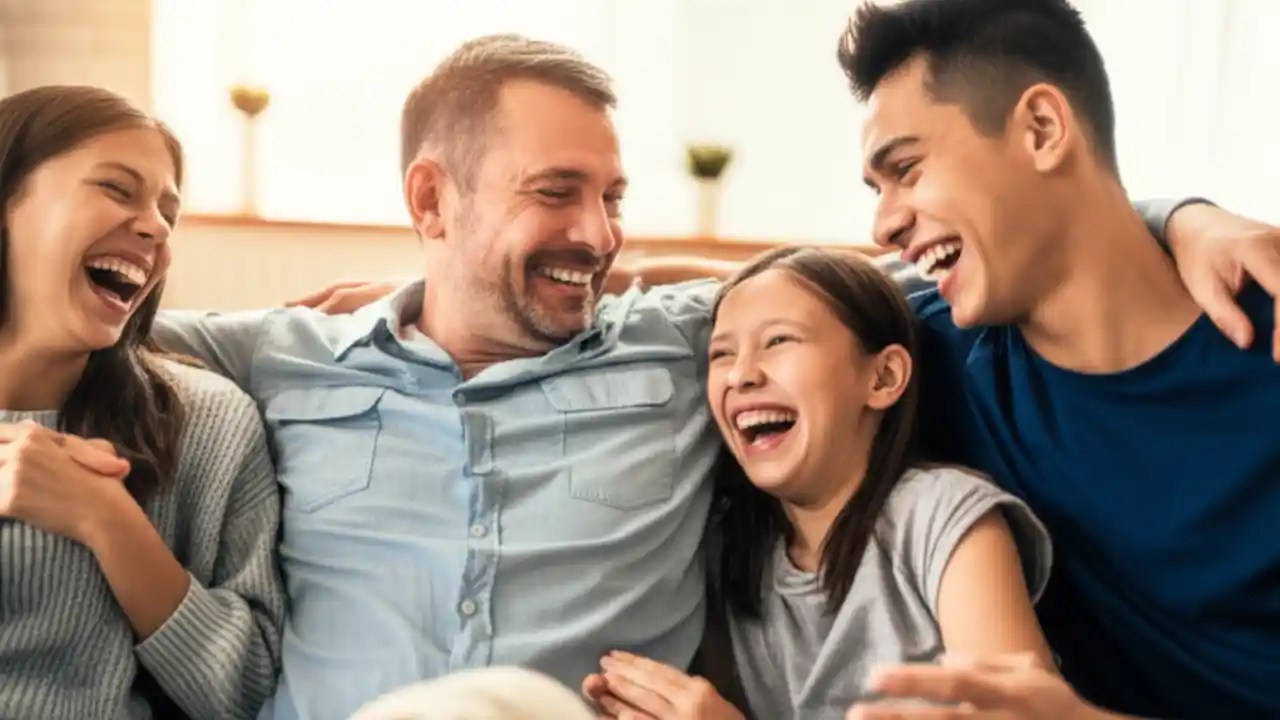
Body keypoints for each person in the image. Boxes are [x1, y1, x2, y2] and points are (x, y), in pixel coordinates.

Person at [155, 33, 1278, 720]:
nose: (598, 237)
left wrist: (1178, 213)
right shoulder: (284, 356)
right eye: (558, 192)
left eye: (614, 200)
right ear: (430, 202)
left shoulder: (713, 343)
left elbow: (883, 276)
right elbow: (85, 338)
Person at [824, 1, 1280, 718]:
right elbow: (722, 314)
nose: (883, 223)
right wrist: (1183, 213)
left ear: (1042, 129)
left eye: (907, 170)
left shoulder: (1268, 345)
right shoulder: (922, 355)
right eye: (878, 189)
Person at [580, 246, 1056, 720]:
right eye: (721, 353)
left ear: (884, 377)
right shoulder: (726, 550)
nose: (742, 374)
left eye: (779, 340)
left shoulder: (943, 518)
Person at [0, 86, 284, 719]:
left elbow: (249, 688)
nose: (155, 226)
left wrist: (107, 520)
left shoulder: (206, 423)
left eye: (168, 214)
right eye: (117, 189)